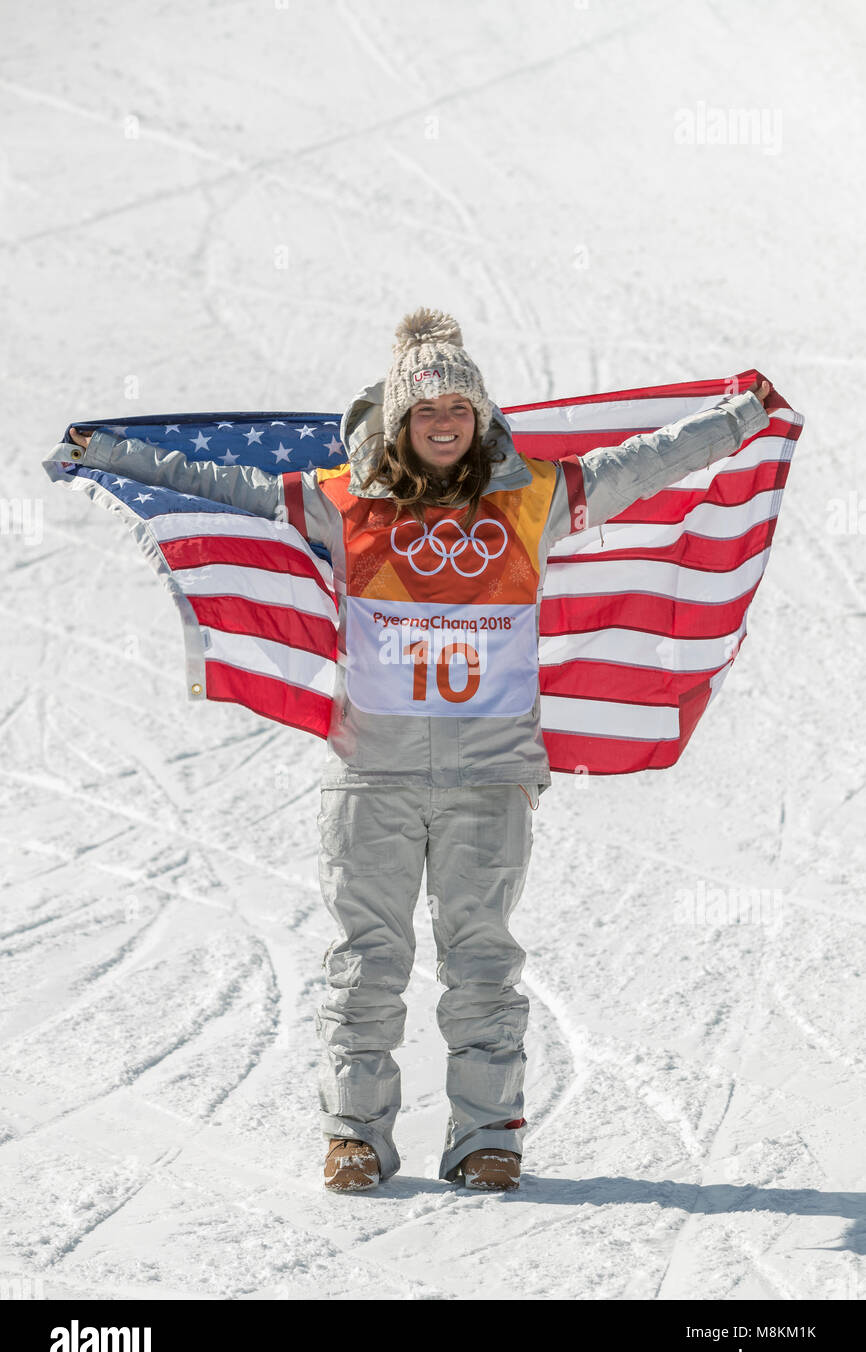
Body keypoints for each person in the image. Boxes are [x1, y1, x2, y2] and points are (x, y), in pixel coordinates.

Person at [67, 307, 773, 1194]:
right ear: (400, 419)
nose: (443, 423)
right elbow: (223, 481)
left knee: (482, 958)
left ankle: (488, 1137)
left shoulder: (534, 498)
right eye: (426, 409)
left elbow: (645, 463)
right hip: (374, 775)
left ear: (480, 417)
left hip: (491, 776)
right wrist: (114, 454)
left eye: (459, 409)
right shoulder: (342, 500)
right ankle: (353, 1135)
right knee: (368, 959)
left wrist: (742, 416)